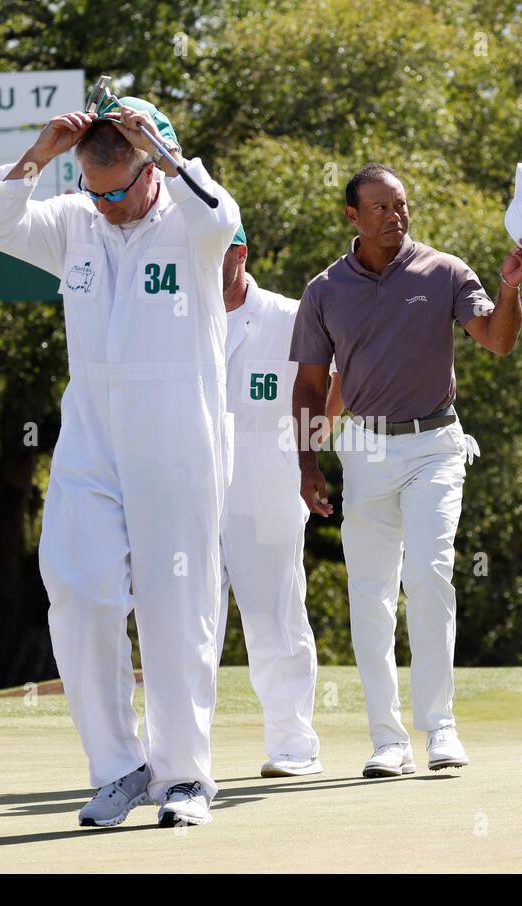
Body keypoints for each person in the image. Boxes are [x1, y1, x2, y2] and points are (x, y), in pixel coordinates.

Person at [0, 99, 240, 828]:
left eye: (119, 189)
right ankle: (120, 768)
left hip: (177, 438)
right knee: (78, 590)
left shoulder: (193, 219)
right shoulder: (74, 220)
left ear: (151, 166)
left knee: (174, 608)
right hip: (91, 438)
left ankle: (185, 778)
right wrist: (39, 153)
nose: (108, 206)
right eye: (96, 190)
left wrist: (166, 148)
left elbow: (222, 217)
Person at [290, 163, 522, 778]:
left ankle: (441, 727)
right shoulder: (324, 291)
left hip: (435, 446)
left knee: (429, 574)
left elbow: (497, 340)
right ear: (352, 215)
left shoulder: (446, 271)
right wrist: (306, 464)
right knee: (370, 598)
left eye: (400, 205)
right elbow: (309, 385)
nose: (394, 216)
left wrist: (510, 289)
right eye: (379, 207)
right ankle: (387, 741)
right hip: (365, 453)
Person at [216, 223, 321, 777]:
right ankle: (179, 754)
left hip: (267, 475)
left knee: (275, 616)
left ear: (241, 252)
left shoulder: (288, 316)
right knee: (188, 622)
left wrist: (310, 444)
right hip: (195, 476)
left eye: (217, 251)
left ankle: (293, 745)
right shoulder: (176, 316)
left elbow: (336, 379)